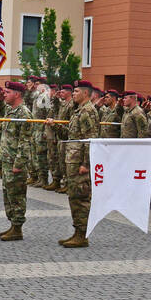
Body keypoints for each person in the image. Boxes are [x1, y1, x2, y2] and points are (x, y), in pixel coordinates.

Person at [60, 81, 100, 247]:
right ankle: (77, 232)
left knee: (81, 198)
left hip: (80, 164)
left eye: (76, 91)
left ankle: (82, 235)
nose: (73, 93)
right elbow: (71, 135)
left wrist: (86, 164)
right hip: (73, 161)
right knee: (74, 197)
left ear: (85, 93)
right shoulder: (79, 111)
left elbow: (91, 139)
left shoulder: (88, 111)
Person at [0, 81, 34, 241]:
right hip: (7, 160)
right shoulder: (10, 110)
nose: (4, 94)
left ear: (17, 94)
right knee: (8, 194)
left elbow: (25, 141)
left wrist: (19, 164)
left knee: (17, 195)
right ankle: (12, 225)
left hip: (15, 163)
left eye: (7, 92)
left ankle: (17, 228)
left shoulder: (23, 113)